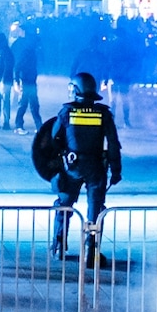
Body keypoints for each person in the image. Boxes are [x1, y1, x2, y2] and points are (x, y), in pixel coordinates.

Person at [47, 72, 122, 266]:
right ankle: (92, 252)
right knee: (95, 210)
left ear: (77, 90)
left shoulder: (67, 112)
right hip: (96, 167)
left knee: (64, 204)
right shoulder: (103, 113)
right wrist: (116, 170)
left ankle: (59, 246)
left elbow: (53, 138)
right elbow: (113, 143)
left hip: (72, 166)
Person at [11, 24, 42, 131]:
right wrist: (17, 79)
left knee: (31, 104)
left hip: (29, 80)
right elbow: (18, 66)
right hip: (26, 80)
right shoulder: (27, 53)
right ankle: (20, 125)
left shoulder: (29, 52)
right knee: (27, 104)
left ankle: (36, 126)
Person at [0, 31, 15, 130]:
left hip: (4, 81)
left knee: (5, 101)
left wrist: (3, 80)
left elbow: (8, 67)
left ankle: (6, 122)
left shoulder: (6, 52)